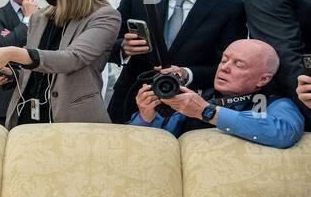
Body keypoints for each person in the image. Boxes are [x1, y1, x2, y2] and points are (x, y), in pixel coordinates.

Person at [106, 0, 246, 124]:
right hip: (130, 103)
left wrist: (187, 73)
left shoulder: (231, 9)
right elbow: (107, 45)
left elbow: (225, 68)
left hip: (187, 114)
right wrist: (124, 49)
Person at [129, 39, 303, 148]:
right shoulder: (199, 97)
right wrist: (146, 117)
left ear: (263, 80)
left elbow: (282, 133)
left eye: (239, 65)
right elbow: (143, 144)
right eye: (224, 60)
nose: (224, 68)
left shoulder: (266, 102)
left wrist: (206, 112)